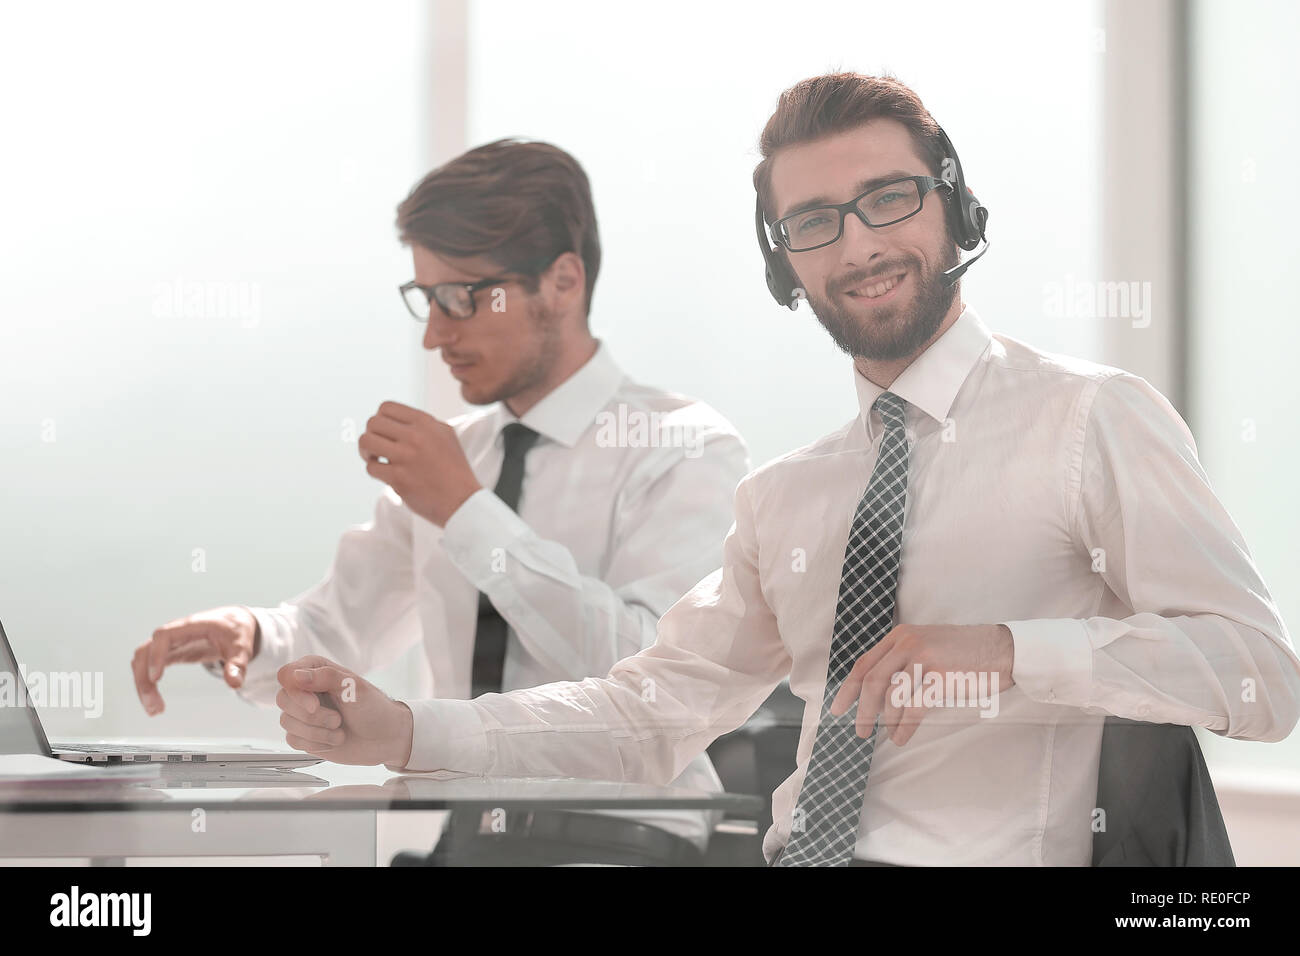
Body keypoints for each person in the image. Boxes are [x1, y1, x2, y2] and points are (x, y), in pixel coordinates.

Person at [267, 73, 1300, 866]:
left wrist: (1009, 649)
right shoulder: (789, 495)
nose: (856, 245)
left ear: (953, 206)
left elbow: (1260, 673)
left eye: (887, 198)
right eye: (813, 223)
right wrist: (403, 725)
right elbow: (646, 711)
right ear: (783, 264)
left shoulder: (1088, 419)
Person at [130, 138, 750, 862]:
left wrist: (467, 513)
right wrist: (252, 636)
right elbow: (339, 629)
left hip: (619, 837)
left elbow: (651, 678)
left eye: (462, 297)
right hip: (464, 840)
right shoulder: (459, 456)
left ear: (563, 281)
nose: (434, 333)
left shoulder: (682, 447)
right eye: (426, 298)